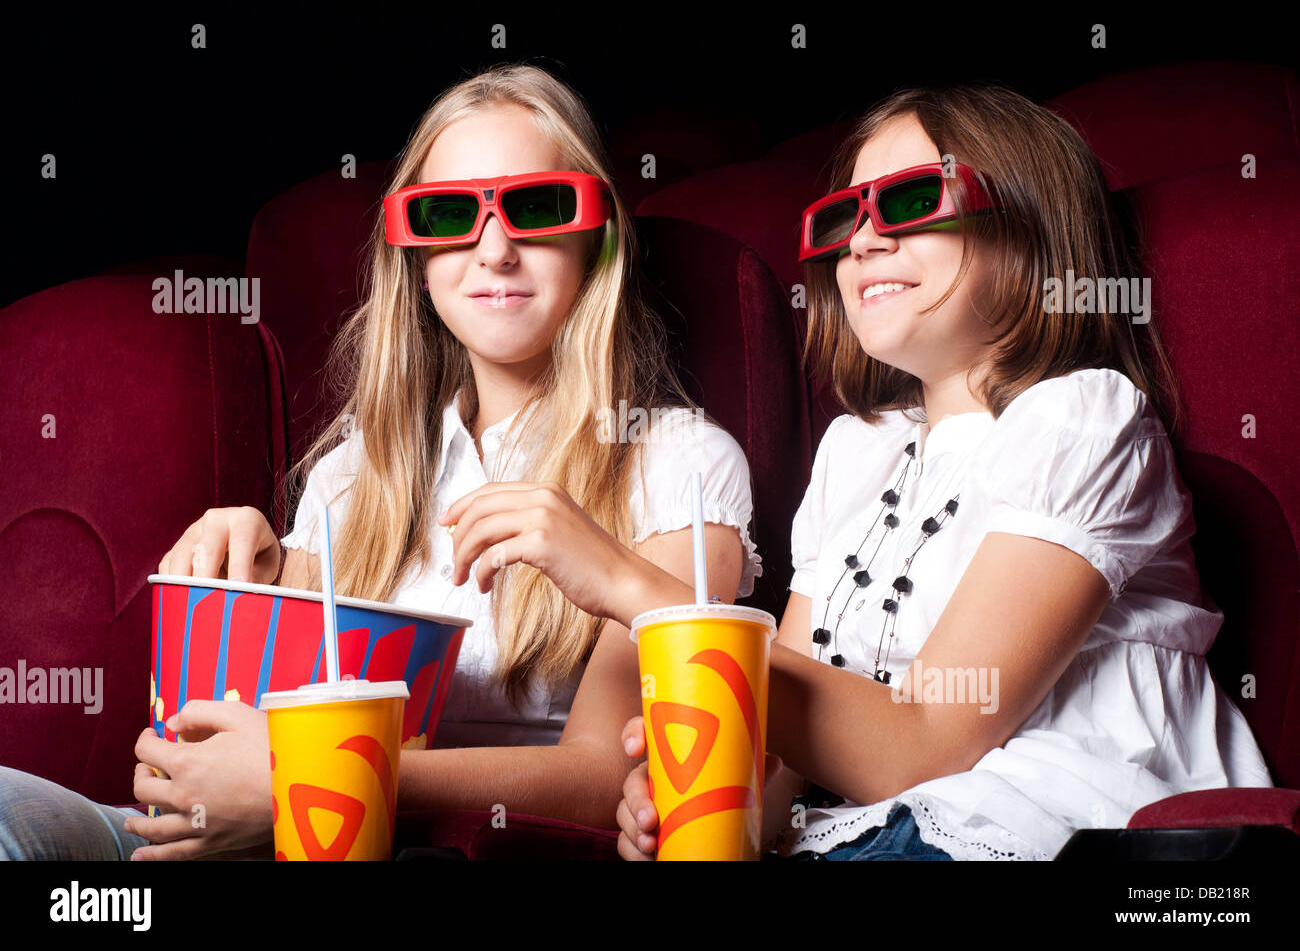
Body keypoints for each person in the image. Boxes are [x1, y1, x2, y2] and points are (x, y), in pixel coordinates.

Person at [473, 83, 1274, 860]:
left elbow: (925, 739)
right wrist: (722, 779)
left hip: (1042, 820)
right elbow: (794, 741)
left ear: (1031, 225)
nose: (862, 240)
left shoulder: (1083, 421)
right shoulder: (855, 450)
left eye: (909, 202)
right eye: (843, 218)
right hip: (866, 827)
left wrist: (625, 581)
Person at [0, 63, 760, 860]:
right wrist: (250, 573)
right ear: (414, 252)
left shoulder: (681, 461)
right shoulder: (355, 470)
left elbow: (614, 775)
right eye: (448, 215)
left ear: (596, 236)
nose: (495, 248)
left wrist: (320, 773)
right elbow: (254, 715)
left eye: (536, 208)